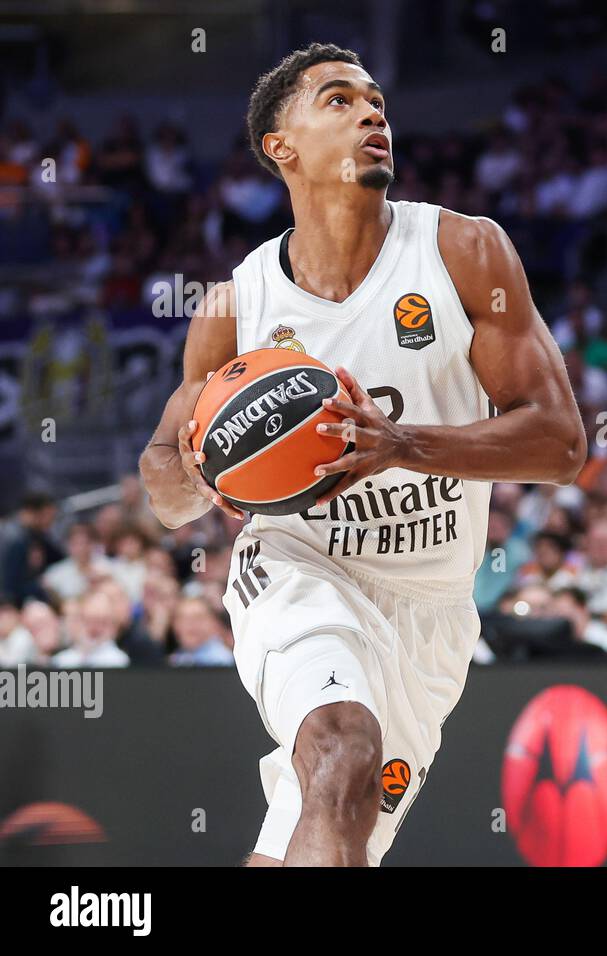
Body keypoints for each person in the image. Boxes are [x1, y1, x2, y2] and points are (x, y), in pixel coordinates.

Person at [138, 44, 584, 867]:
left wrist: (401, 445)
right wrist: (197, 475)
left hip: (432, 609)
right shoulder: (238, 305)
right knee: (342, 752)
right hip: (299, 566)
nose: (373, 112)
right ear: (281, 147)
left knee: (318, 827)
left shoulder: (463, 253)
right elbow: (162, 480)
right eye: (339, 100)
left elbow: (561, 443)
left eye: (376, 100)